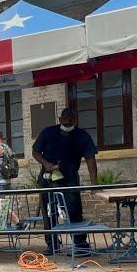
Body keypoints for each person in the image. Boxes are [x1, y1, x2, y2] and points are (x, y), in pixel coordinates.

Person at [32, 106, 98, 254]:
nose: (67, 122)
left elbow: (90, 160)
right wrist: (45, 163)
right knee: (49, 213)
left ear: (75, 120)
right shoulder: (48, 133)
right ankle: (52, 245)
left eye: (70, 120)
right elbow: (35, 151)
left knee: (74, 211)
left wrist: (94, 183)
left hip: (70, 178)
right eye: (65, 119)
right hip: (48, 178)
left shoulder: (82, 136)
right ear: (60, 119)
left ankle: (80, 245)